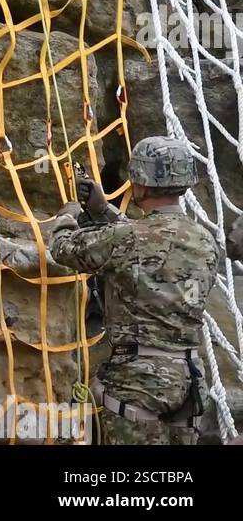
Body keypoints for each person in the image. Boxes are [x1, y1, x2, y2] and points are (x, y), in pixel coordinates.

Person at [49, 136, 218, 445]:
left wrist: (66, 216)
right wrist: (104, 212)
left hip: (139, 381)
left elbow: (63, 249)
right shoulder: (205, 240)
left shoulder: (127, 237)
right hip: (189, 376)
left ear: (140, 181)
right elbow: (153, 245)